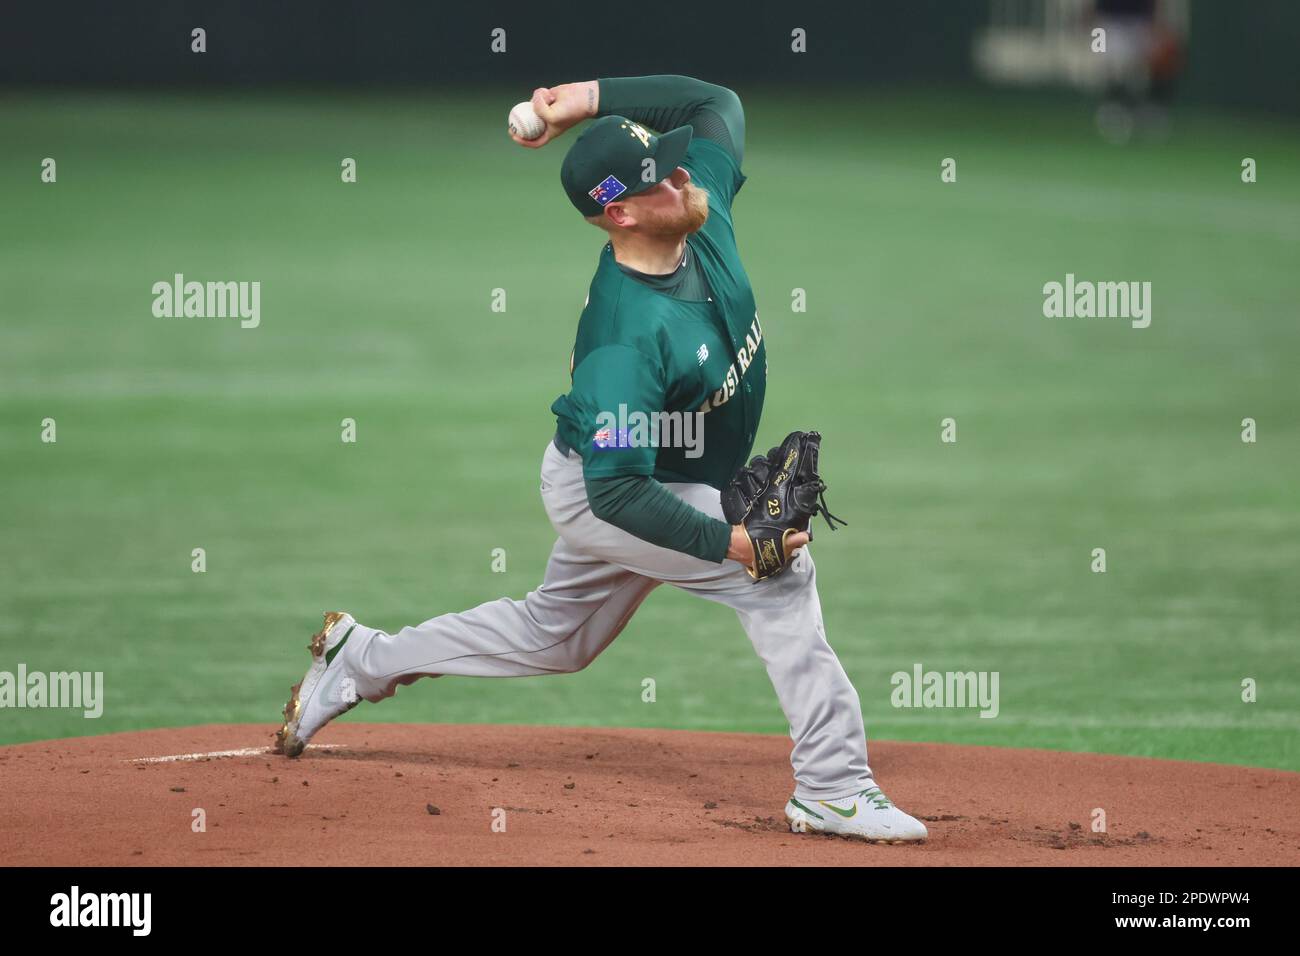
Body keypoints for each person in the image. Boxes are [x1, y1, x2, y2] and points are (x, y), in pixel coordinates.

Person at [273, 75, 927, 843]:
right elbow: (616, 492)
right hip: (605, 491)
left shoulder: (698, 213)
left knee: (556, 637)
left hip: (664, 476)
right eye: (660, 179)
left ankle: (360, 659)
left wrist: (585, 99)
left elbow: (715, 105)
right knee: (779, 579)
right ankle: (832, 786)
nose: (682, 177)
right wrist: (730, 544)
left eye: (674, 163)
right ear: (618, 213)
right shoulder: (626, 341)